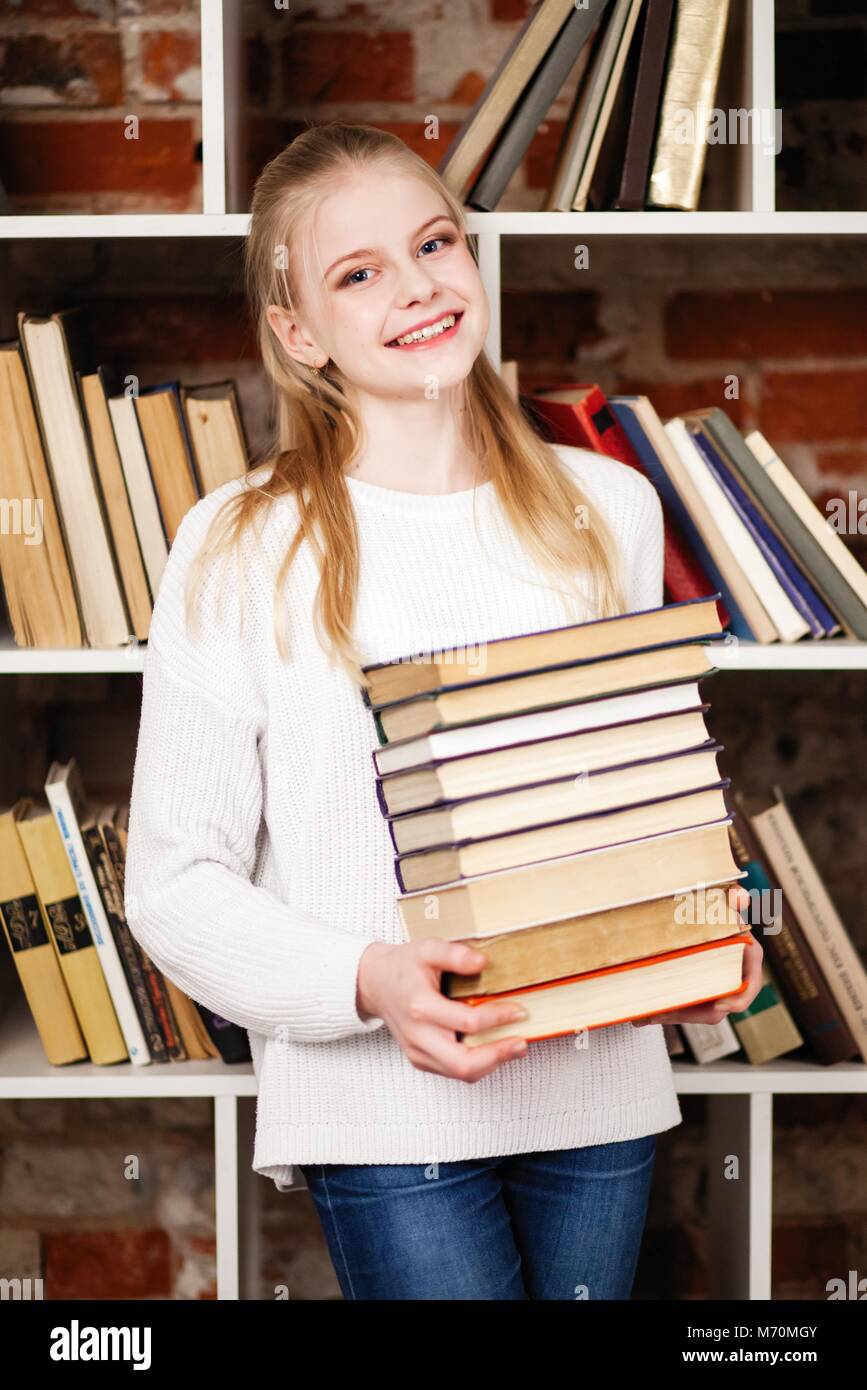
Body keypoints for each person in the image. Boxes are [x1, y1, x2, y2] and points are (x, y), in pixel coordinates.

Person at [124, 122, 762, 1301]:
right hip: (380, 1110)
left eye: (435, 244)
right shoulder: (238, 542)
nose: (417, 287)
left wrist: (691, 927)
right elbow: (172, 883)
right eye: (358, 272)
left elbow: (632, 802)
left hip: (597, 1082)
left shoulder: (607, 508)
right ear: (298, 332)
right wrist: (374, 981)